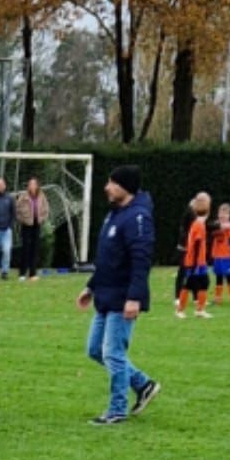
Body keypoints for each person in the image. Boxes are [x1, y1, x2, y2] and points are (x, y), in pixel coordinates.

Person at [76, 165, 160, 425]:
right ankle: (143, 384)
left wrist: (134, 297)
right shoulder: (114, 215)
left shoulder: (137, 218)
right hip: (105, 295)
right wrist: (91, 287)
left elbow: (141, 260)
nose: (107, 187)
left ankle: (116, 410)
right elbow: (107, 259)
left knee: (113, 353)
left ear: (125, 186)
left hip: (123, 298)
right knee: (94, 349)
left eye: (111, 183)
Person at [176, 192, 213, 319]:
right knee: (188, 284)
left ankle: (199, 310)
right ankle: (180, 310)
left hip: (199, 261)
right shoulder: (198, 225)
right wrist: (197, 263)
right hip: (194, 262)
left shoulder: (198, 223)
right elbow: (196, 245)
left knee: (204, 283)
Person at [15, 177, 50, 281]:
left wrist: (42, 219)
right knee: (25, 249)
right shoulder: (23, 196)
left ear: (37, 185)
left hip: (36, 225)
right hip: (26, 225)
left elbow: (46, 209)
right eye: (31, 184)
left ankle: (32, 274)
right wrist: (23, 220)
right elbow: (17, 210)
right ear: (28, 186)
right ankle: (22, 274)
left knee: (35, 249)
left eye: (34, 184)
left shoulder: (41, 196)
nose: (32, 186)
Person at [212, 203, 230, 305]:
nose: (222, 215)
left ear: (229, 215)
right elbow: (212, 228)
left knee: (229, 276)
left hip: (226, 256)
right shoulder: (216, 224)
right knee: (218, 277)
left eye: (225, 213)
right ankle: (217, 298)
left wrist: (223, 226)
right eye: (220, 213)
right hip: (217, 255)